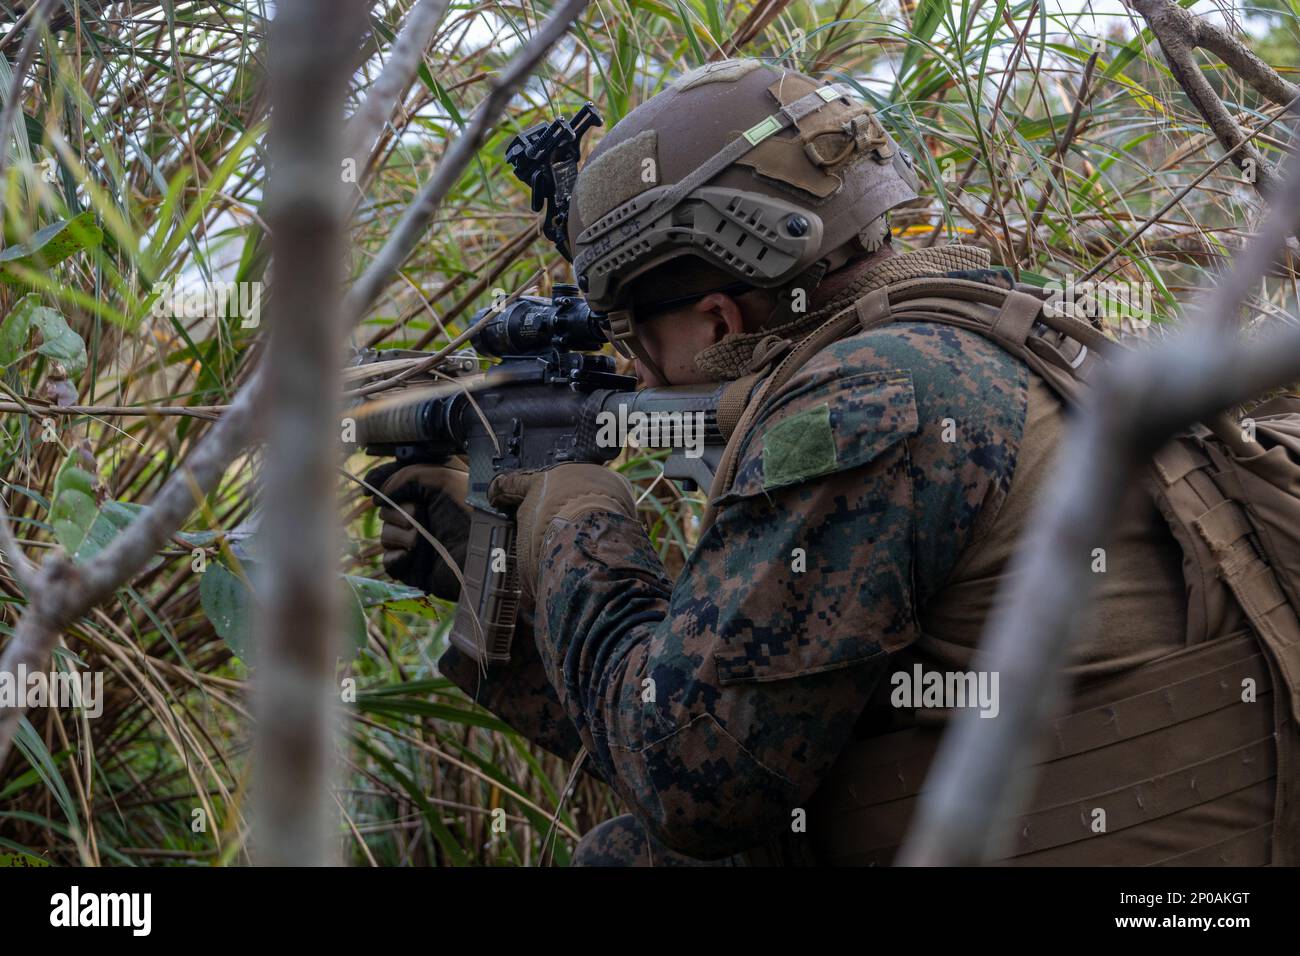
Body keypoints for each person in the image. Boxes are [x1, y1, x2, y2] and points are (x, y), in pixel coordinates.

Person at [368, 59, 1289, 866]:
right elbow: (753, 719)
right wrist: (498, 575)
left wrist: (567, 514)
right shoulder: (1002, 331)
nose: (635, 372)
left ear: (722, 320)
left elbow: (690, 781)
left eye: (634, 340)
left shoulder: (874, 400)